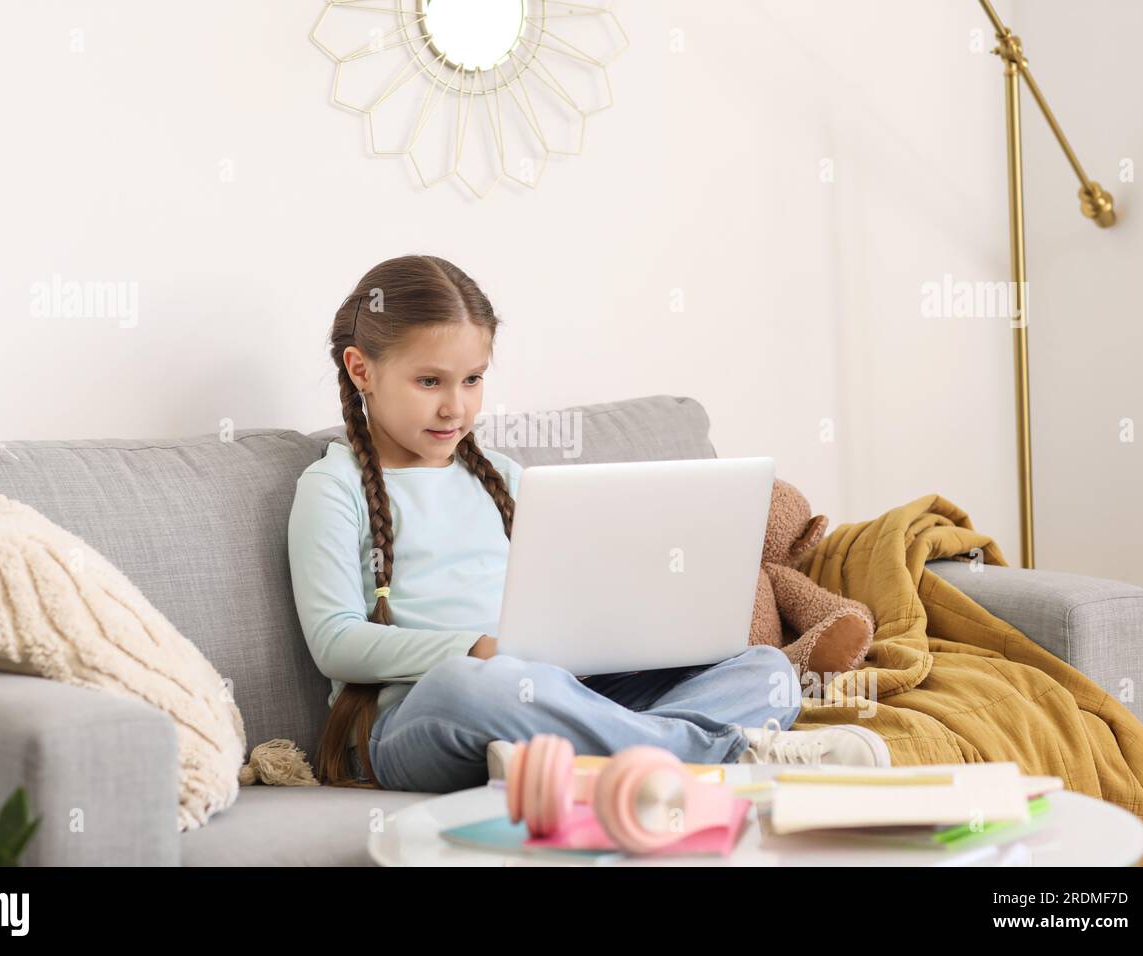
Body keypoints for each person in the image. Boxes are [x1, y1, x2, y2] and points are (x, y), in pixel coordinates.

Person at [287, 254, 889, 791]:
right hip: (421, 717)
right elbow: (336, 643)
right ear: (361, 369)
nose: (456, 406)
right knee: (472, 685)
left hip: (559, 694)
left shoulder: (503, 476)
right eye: (429, 382)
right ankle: (723, 754)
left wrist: (626, 632)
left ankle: (575, 761)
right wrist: (476, 649)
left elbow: (570, 603)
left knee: (765, 669)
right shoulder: (333, 487)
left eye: (472, 380)